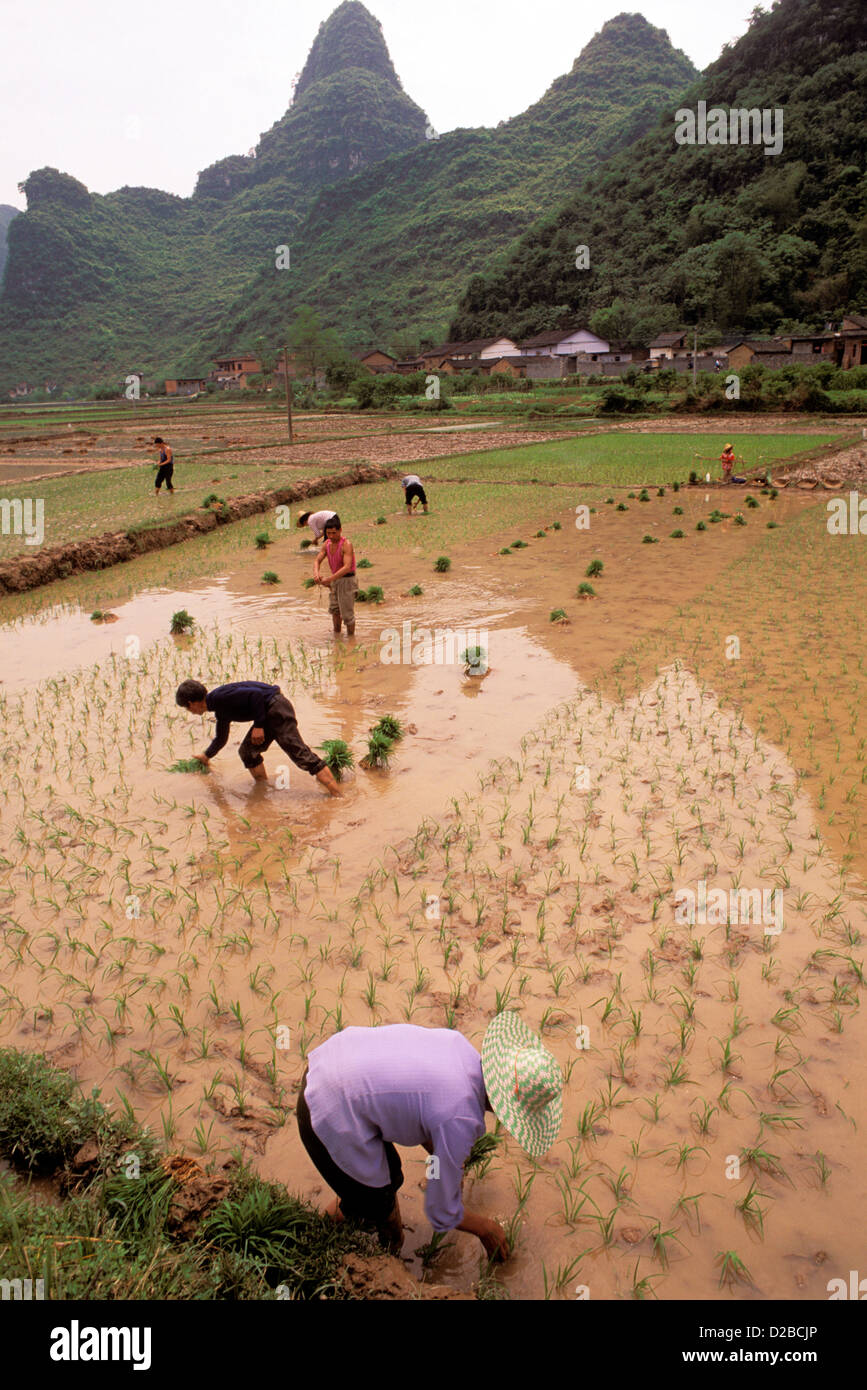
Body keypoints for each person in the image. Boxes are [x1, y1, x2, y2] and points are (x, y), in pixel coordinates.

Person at [296, 1011, 563, 1258]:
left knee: (391, 1177)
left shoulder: (458, 1047)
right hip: (328, 1110)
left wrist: (446, 1164)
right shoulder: (461, 1115)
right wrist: (485, 1228)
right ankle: (318, 1241)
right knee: (377, 1208)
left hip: (329, 1063)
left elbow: (424, 1106)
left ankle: (349, 1210)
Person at [175, 678, 341, 794]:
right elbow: (221, 738)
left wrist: (259, 726)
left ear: (191, 704)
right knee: (247, 752)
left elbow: (256, 695)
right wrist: (206, 756)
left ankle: (338, 796)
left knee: (300, 754)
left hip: (276, 708)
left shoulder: (220, 697)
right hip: (269, 712)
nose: (191, 712)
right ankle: (263, 787)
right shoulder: (219, 708)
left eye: (187, 708)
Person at [314, 516, 357, 637]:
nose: (331, 536)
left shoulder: (346, 544)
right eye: (328, 533)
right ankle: (337, 638)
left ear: (340, 530)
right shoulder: (326, 544)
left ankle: (351, 641)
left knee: (347, 615)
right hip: (335, 580)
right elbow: (317, 560)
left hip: (347, 581)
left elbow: (347, 567)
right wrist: (316, 574)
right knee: (335, 611)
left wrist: (329, 580)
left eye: (334, 533)